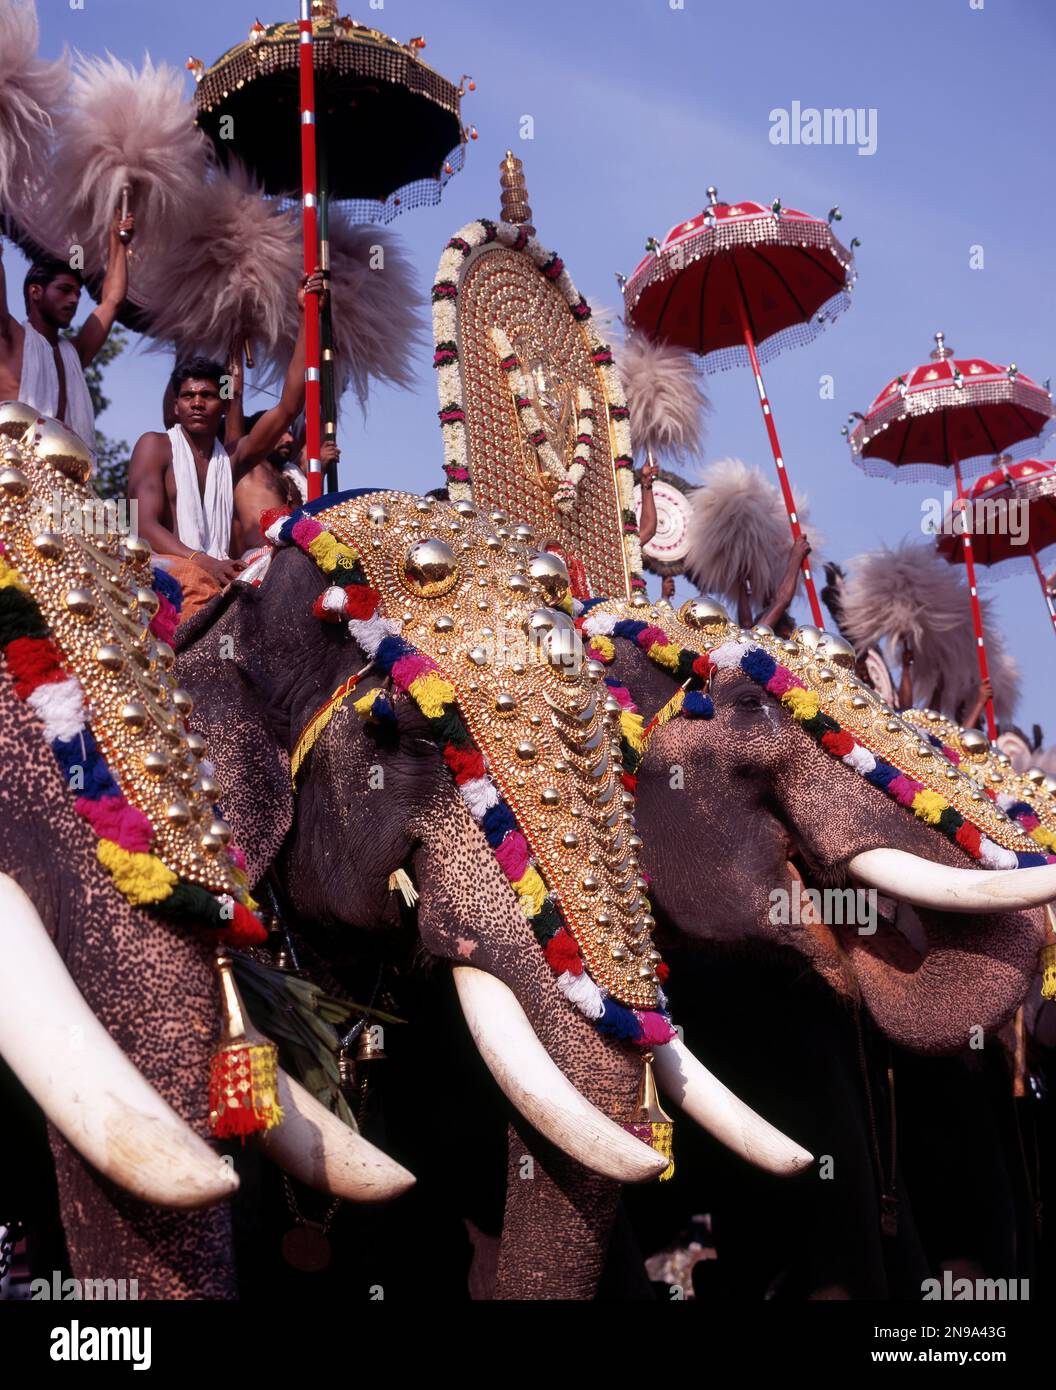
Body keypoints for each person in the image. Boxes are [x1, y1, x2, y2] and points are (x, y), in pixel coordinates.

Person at [128, 269, 325, 618]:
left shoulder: (233, 458)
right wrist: (203, 562)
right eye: (188, 396)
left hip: (217, 569)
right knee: (196, 581)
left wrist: (306, 316)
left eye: (207, 395)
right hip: (167, 572)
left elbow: (289, 405)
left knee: (287, 575)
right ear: (176, 405)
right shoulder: (155, 445)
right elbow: (142, 525)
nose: (197, 402)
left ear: (223, 404)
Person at [0, 208, 134, 445]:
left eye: (77, 293)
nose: (73, 300)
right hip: (10, 473)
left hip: (66, 477)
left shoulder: (73, 353)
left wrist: (118, 241)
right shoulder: (9, 336)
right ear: (35, 292)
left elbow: (112, 300)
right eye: (64, 290)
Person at [231, 414, 340, 559]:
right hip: (257, 564)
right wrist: (231, 392)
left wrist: (321, 470)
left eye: (288, 432)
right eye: (280, 433)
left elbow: (311, 513)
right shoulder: (245, 469)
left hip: (296, 559)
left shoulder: (291, 477)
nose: (289, 439)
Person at [735, 533, 812, 635]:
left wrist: (742, 585)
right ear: (787, 632)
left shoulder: (756, 641)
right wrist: (796, 557)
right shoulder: (758, 641)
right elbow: (782, 600)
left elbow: (746, 624)